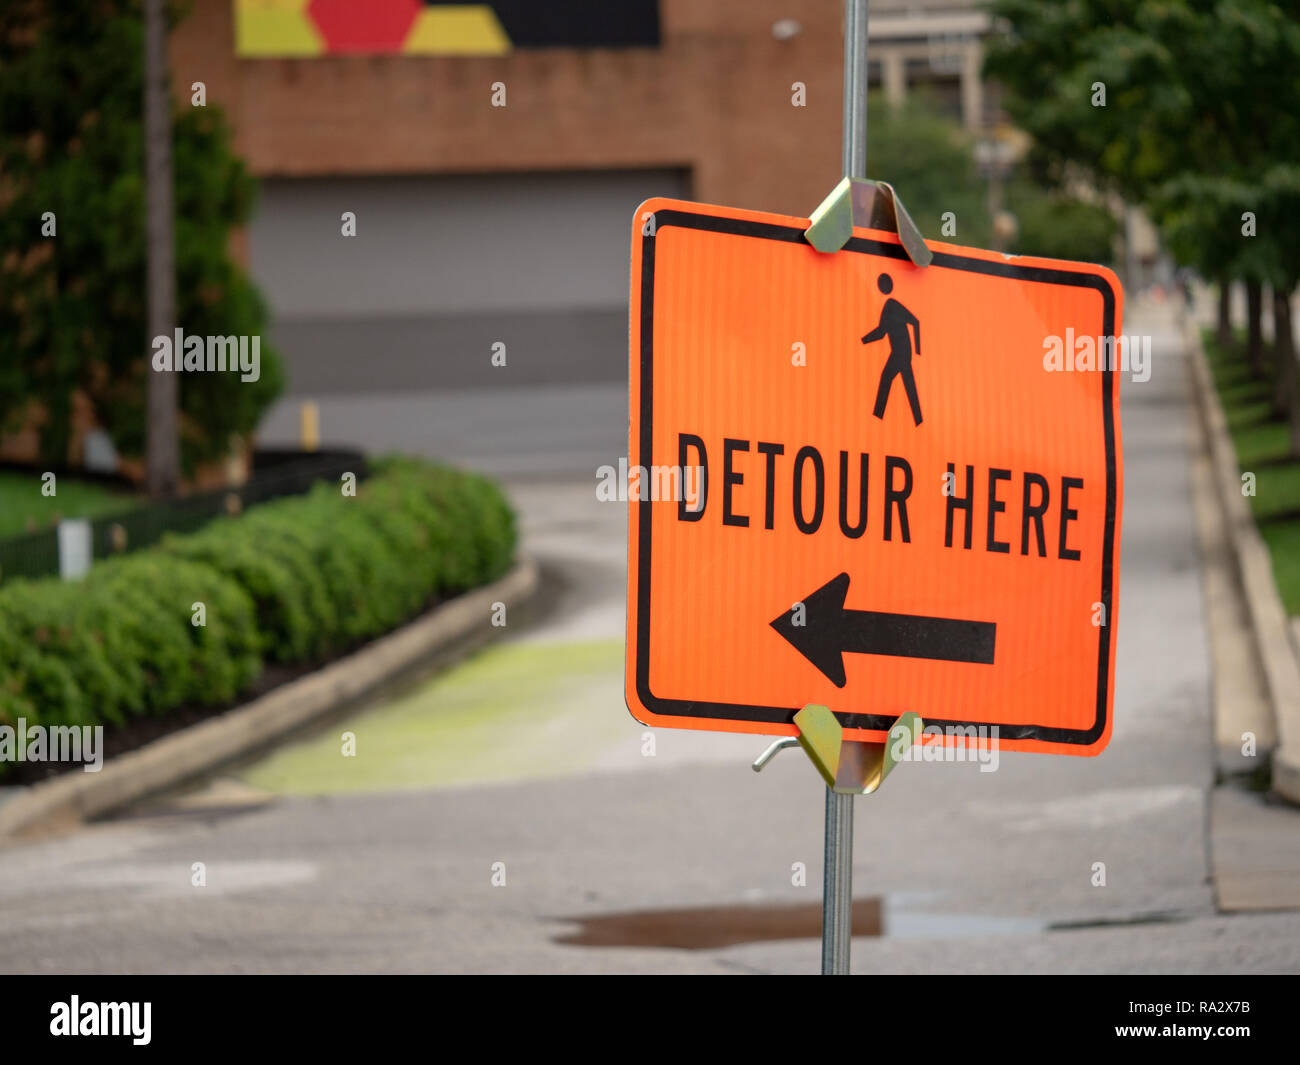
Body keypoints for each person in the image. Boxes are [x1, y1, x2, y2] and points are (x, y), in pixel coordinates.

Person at [861, 273, 923, 426]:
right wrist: (864, 340)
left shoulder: (893, 305)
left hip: (902, 353)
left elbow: (916, 322)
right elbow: (881, 333)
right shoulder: (887, 308)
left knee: (887, 378)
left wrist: (918, 350)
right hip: (898, 353)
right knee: (908, 385)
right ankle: (918, 420)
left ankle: (877, 416)